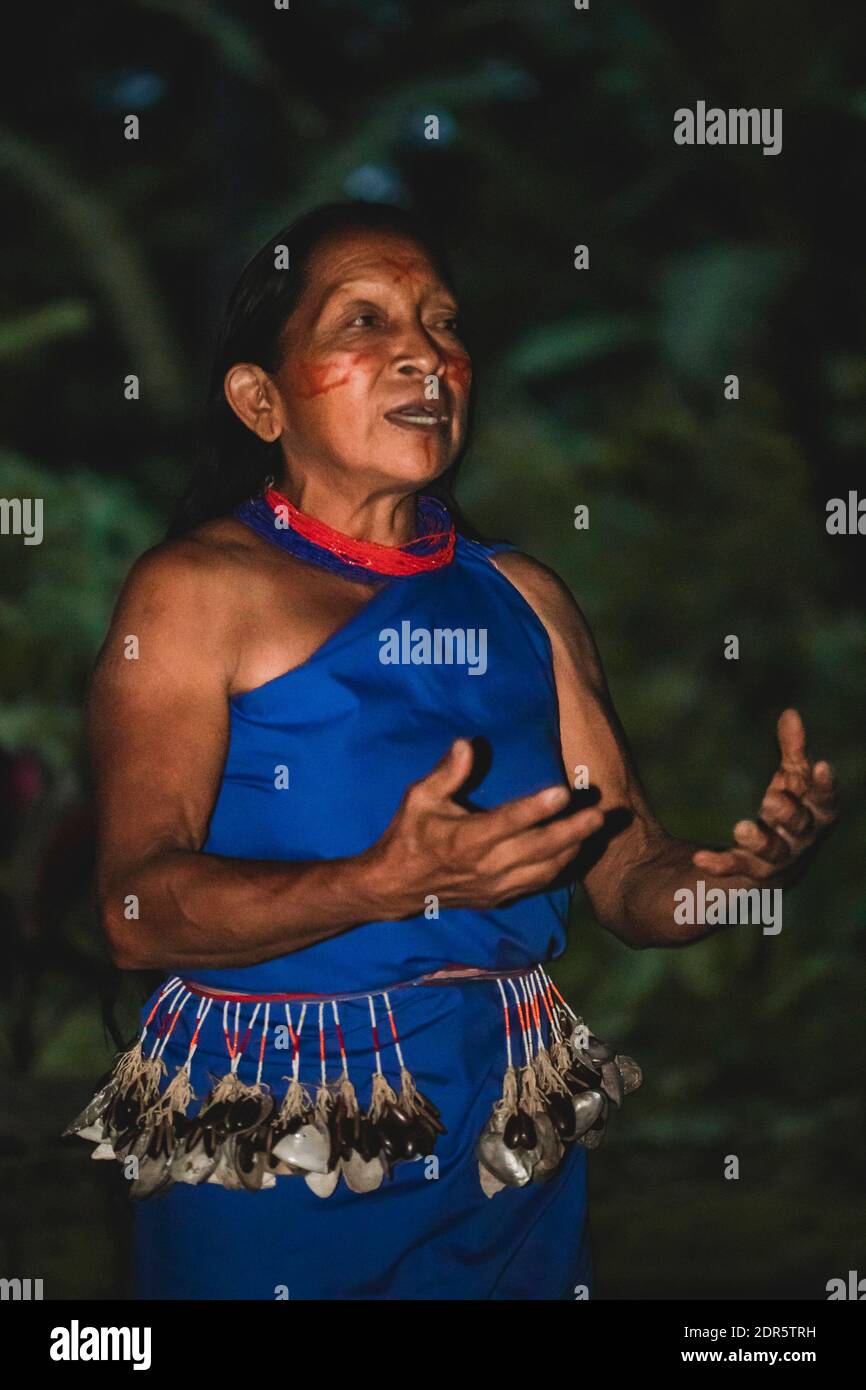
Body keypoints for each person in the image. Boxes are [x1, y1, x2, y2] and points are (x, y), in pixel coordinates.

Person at [76, 202, 838, 1300]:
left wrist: (740, 879)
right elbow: (132, 911)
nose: (424, 354)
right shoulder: (196, 591)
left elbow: (627, 877)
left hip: (502, 1122)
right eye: (364, 322)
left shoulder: (524, 597)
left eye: (441, 324)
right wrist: (386, 882)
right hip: (278, 1125)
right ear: (259, 399)